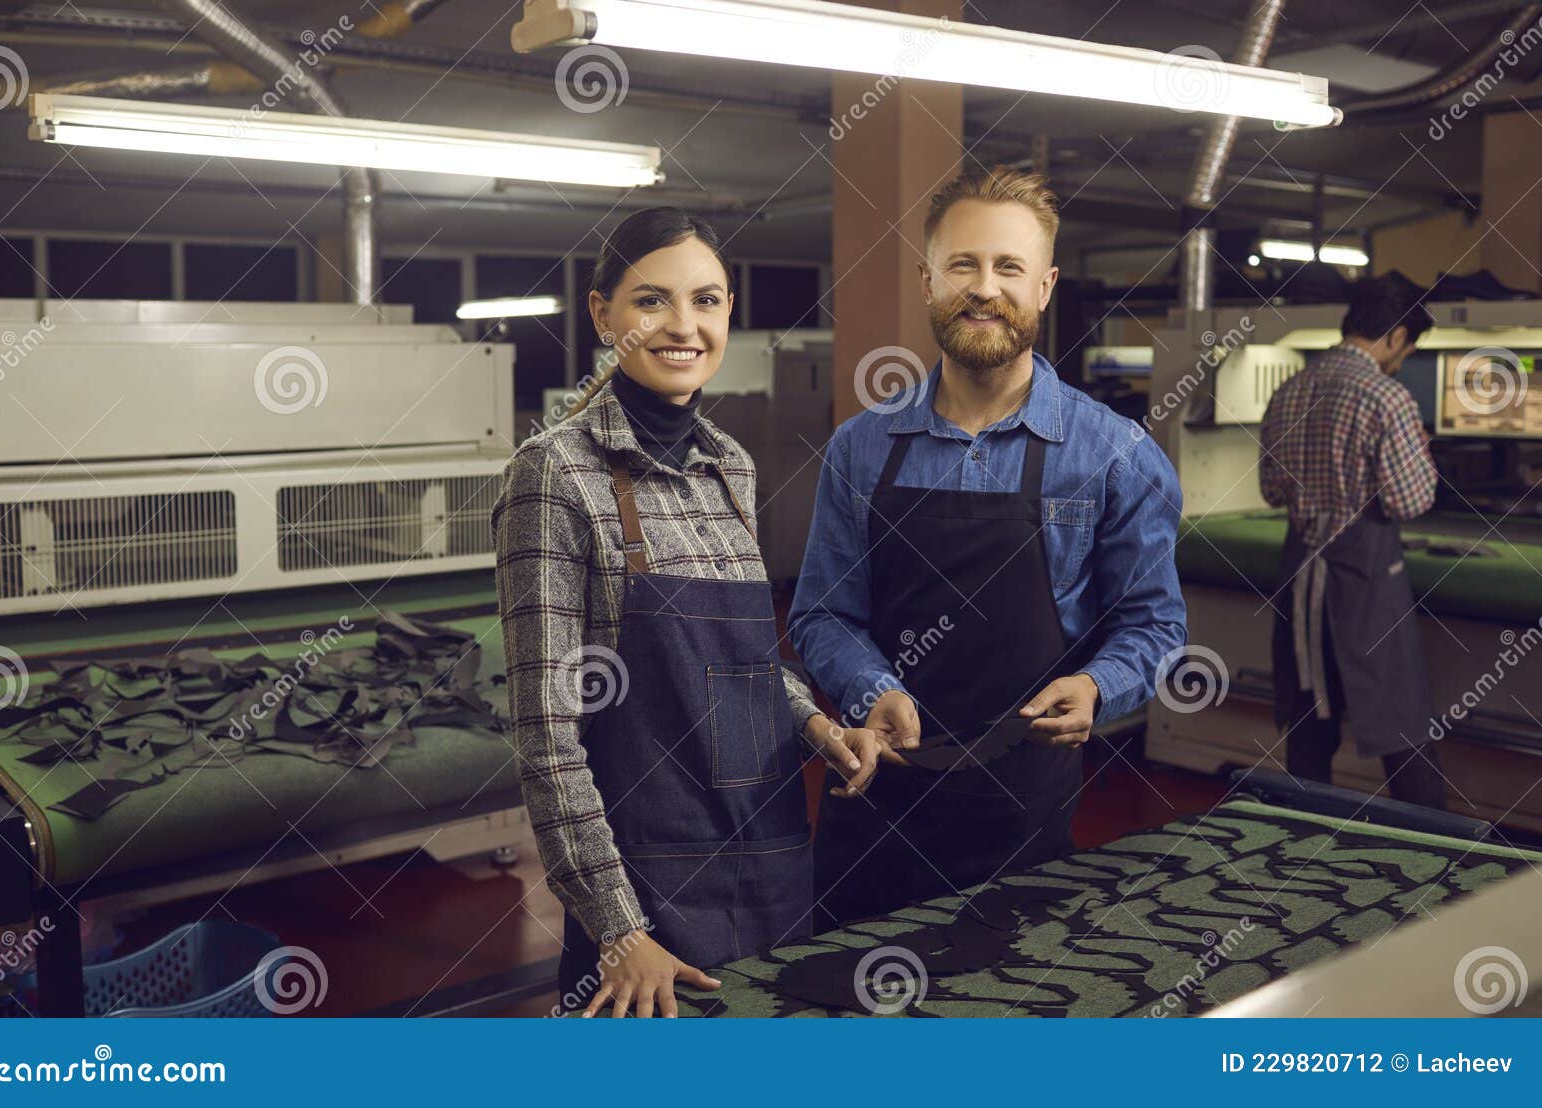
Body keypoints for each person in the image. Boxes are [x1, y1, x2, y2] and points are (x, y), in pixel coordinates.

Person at [493, 207, 885, 1017]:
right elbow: (546, 734)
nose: (683, 326)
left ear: (729, 312)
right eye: (651, 301)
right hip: (647, 897)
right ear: (603, 314)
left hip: (772, 861)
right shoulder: (555, 475)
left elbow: (742, 666)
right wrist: (616, 930)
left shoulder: (728, 467)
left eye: (706, 301)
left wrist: (818, 727)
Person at [789, 166, 1187, 928]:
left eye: (1009, 267)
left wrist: (1100, 686)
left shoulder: (1113, 454)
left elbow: (1155, 625)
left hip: (1022, 813)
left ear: (1045, 286)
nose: (985, 287)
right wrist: (876, 690)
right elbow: (822, 616)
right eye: (963, 264)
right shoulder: (862, 447)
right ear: (927, 279)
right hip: (875, 800)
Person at [1258, 272, 1446, 808]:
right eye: (1407, 346)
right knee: (1403, 729)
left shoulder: (1289, 392)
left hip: (1299, 580)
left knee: (1310, 730)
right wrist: (1419, 453)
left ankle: (1299, 849)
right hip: (1366, 585)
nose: (1403, 358)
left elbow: (1272, 491)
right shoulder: (1388, 398)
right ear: (1394, 336)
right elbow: (1410, 501)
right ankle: (1440, 863)